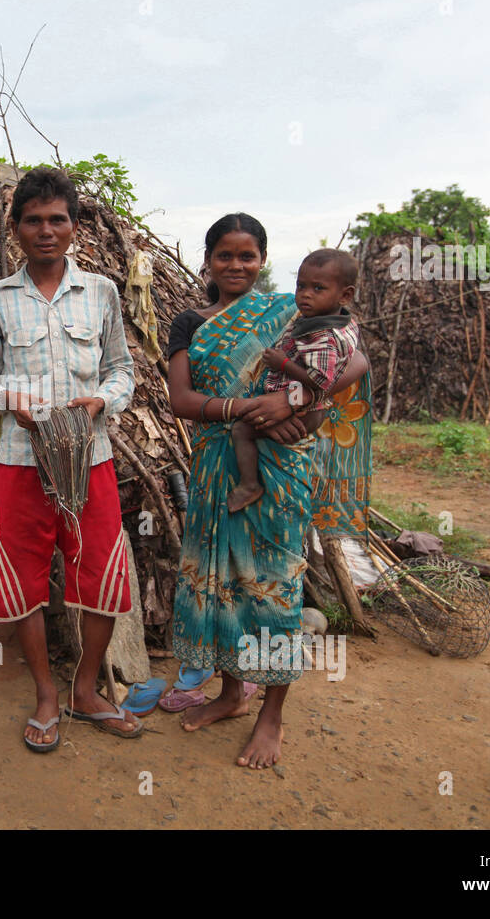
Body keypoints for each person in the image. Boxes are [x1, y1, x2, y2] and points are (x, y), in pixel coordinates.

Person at [164, 213, 369, 769]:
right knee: (223, 579)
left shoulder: (290, 314)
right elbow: (181, 400)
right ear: (207, 260)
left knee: (274, 586)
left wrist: (293, 403)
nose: (236, 265)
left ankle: (271, 715)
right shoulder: (188, 322)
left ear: (262, 260)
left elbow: (358, 361)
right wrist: (246, 409)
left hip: (282, 469)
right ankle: (231, 695)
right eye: (225, 255)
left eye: (247, 255)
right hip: (216, 469)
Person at [0, 167, 139, 753]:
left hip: (90, 457)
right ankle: (45, 694)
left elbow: (122, 370)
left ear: (73, 226)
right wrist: (8, 400)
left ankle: (86, 690)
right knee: (23, 577)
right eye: (34, 220)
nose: (46, 230)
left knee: (103, 573)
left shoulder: (102, 294)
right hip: (19, 462)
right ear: (15, 228)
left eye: (57, 219)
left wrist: (104, 401)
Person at [227, 249, 361, 513]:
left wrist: (283, 365)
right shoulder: (325, 321)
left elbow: (321, 380)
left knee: (241, 431)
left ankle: (249, 485)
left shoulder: (322, 334)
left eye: (318, 288)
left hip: (305, 410)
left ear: (345, 295)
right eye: (301, 286)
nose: (306, 294)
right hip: (305, 408)